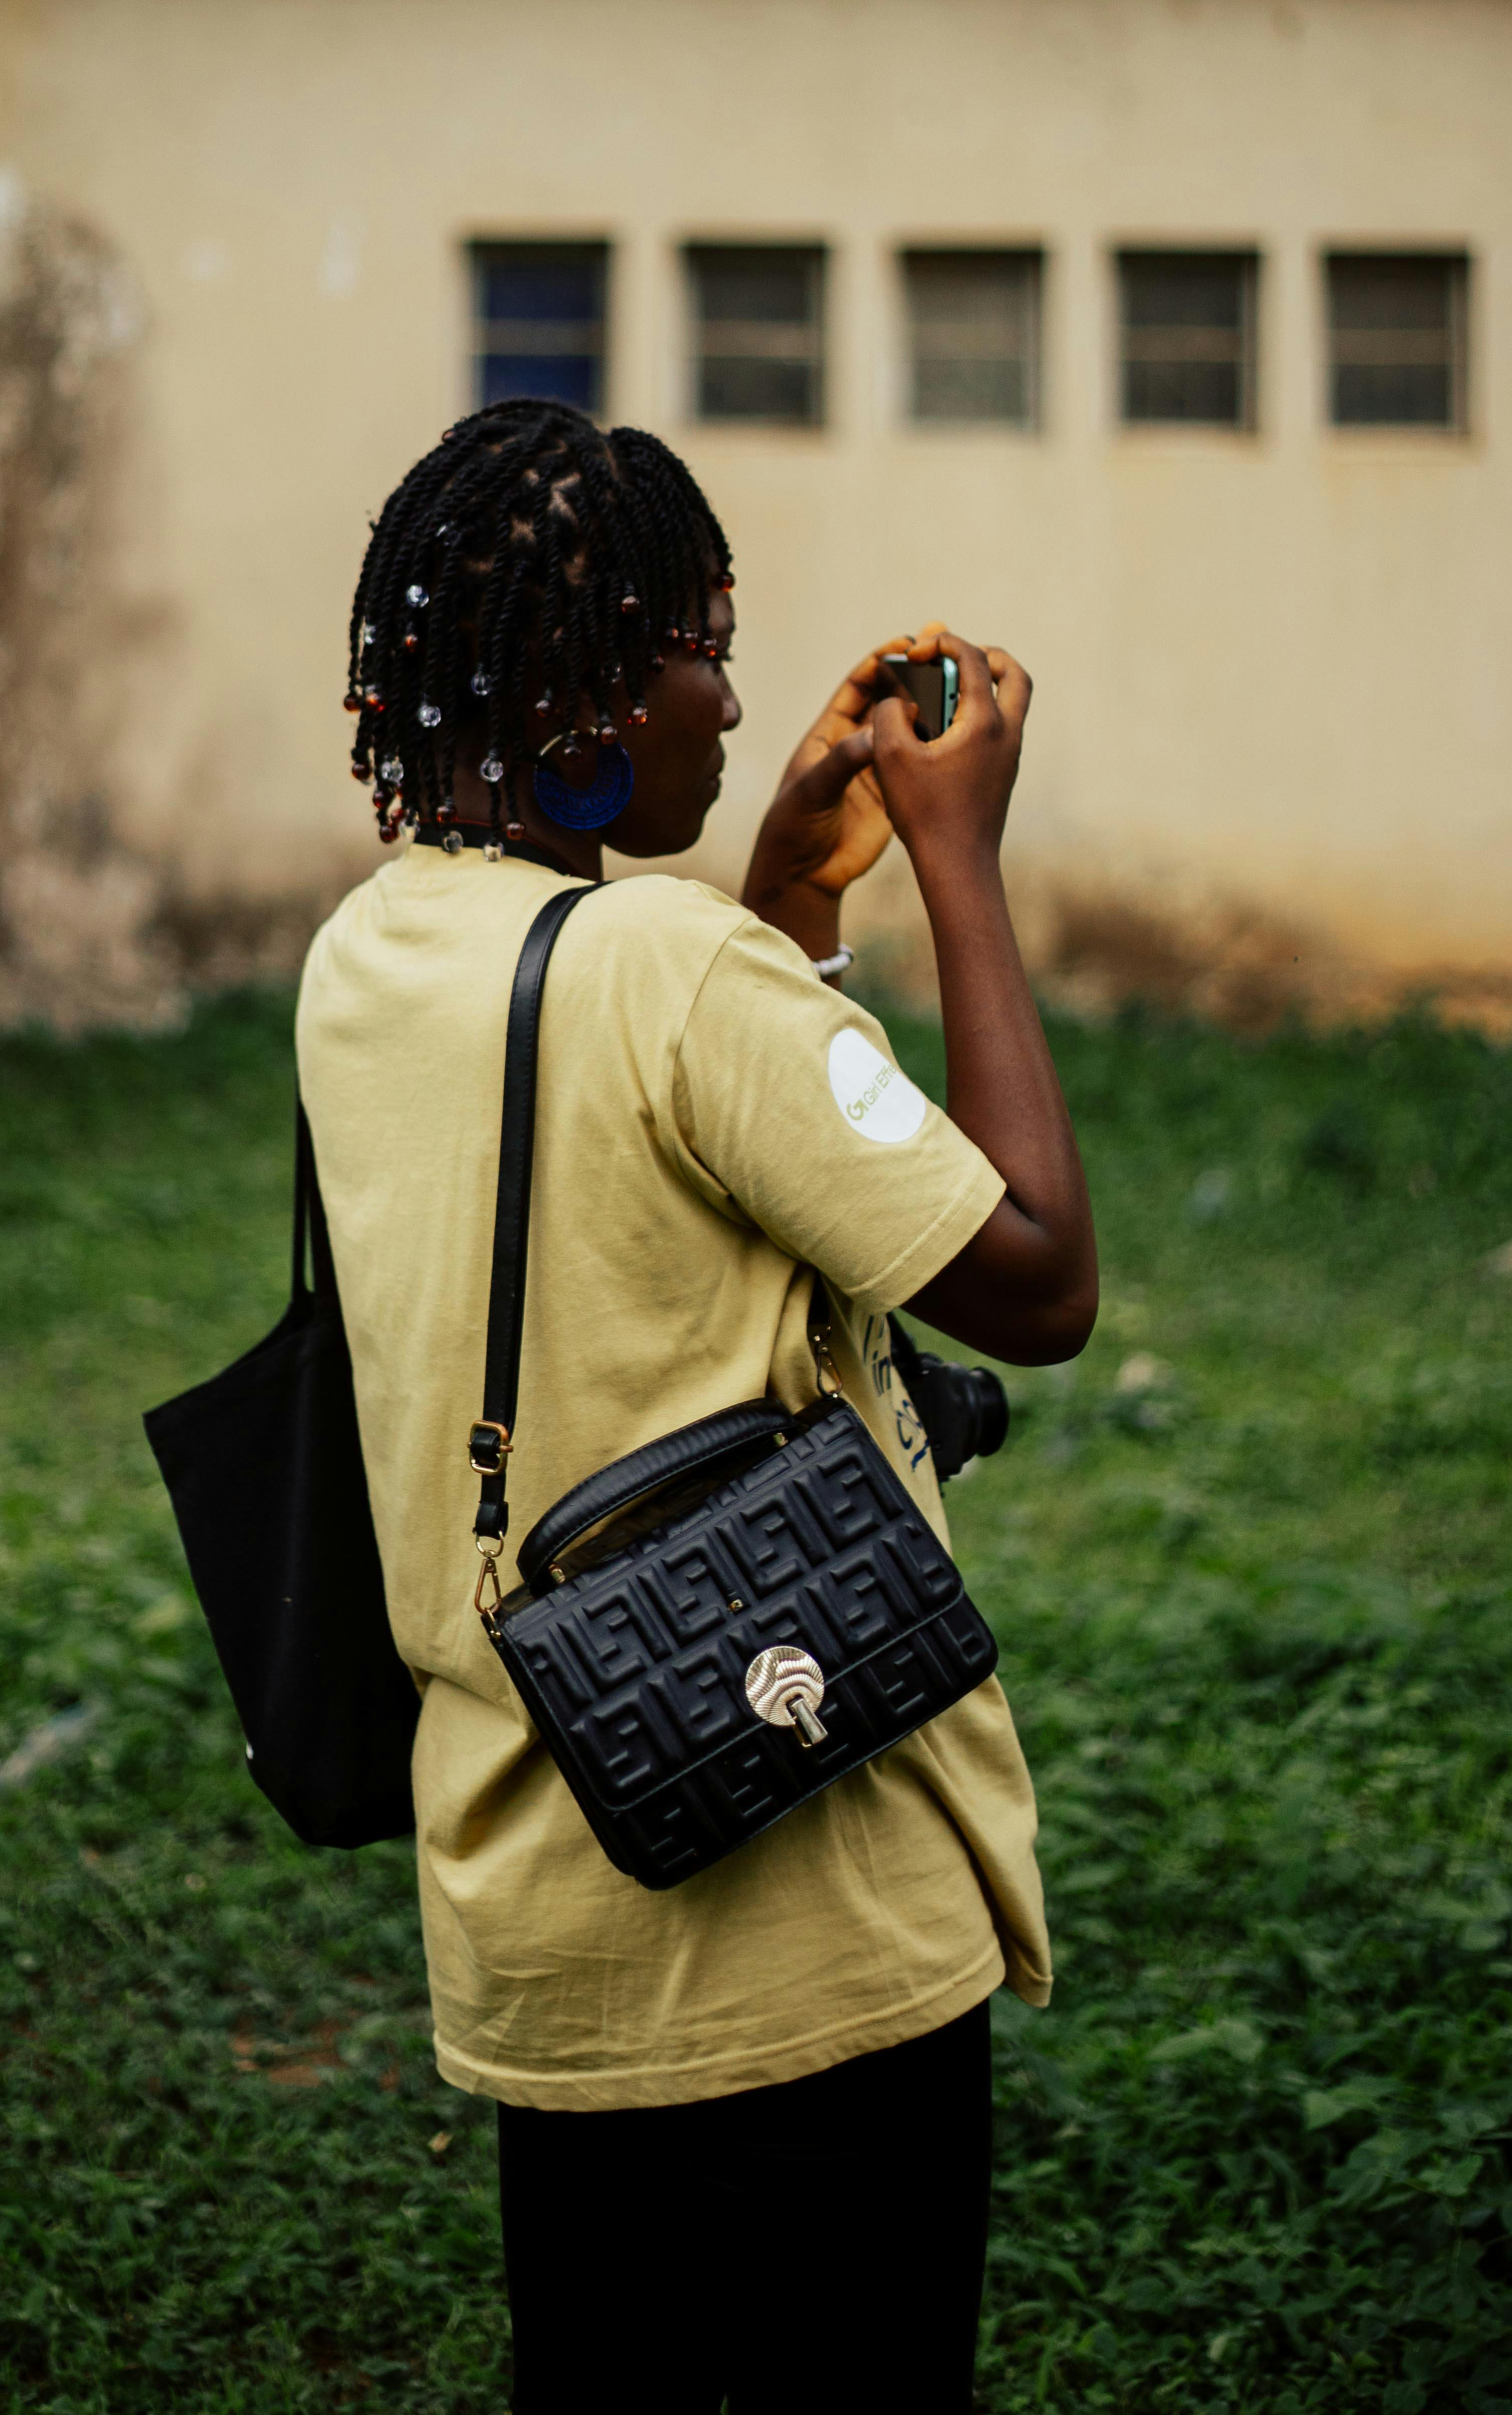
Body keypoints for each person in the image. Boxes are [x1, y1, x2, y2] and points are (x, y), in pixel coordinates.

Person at [295, 400, 1096, 2415]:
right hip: (801, 1920)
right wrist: (953, 861)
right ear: (584, 683)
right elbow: (1035, 1278)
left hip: (546, 1918)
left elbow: (622, 1137)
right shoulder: (668, 973)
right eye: (702, 646)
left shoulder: (370, 954)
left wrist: (780, 904)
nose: (734, 702)